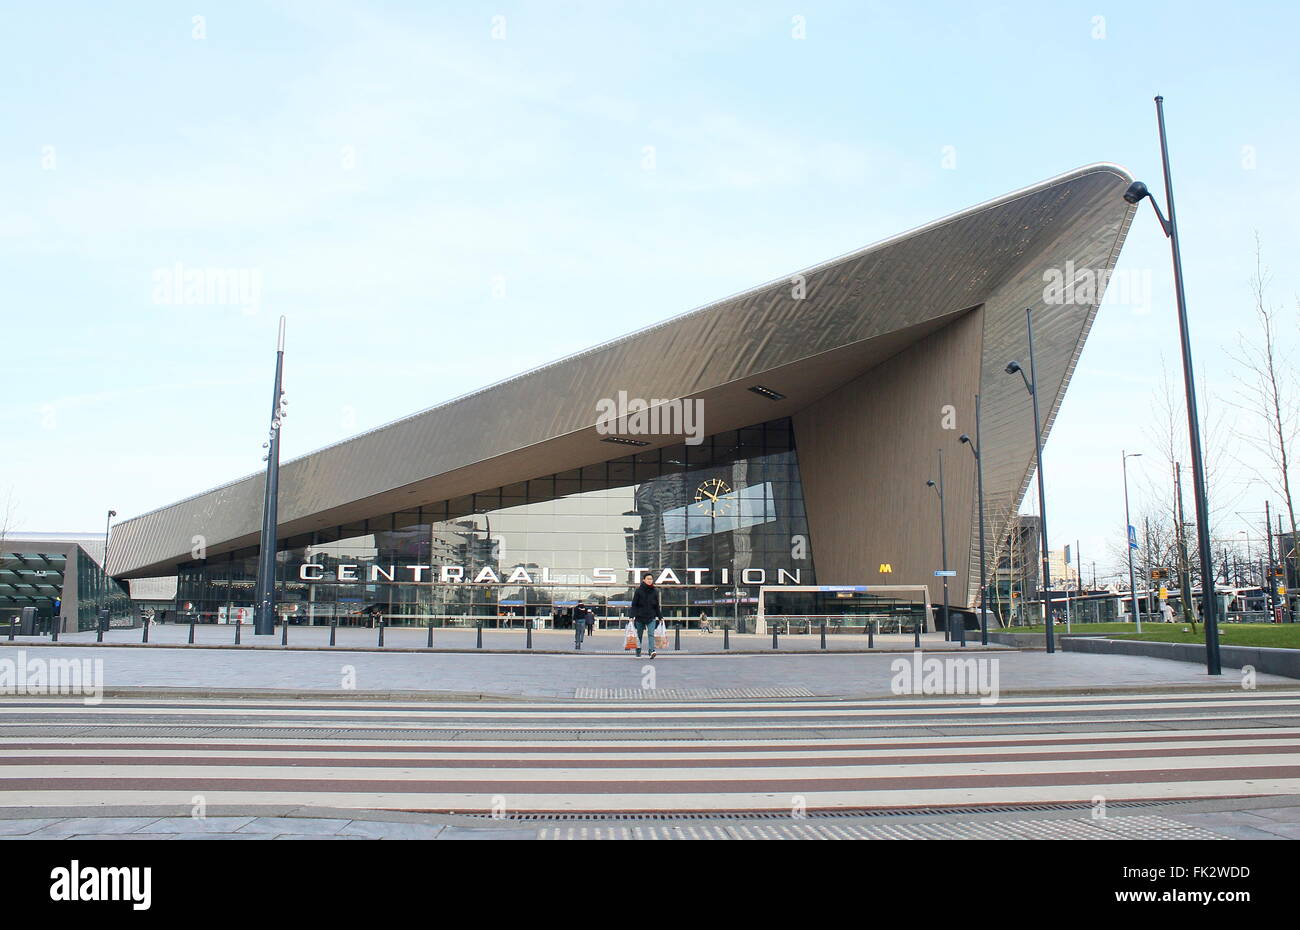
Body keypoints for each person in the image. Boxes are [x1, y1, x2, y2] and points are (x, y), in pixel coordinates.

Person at [629, 573, 662, 658]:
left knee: (651, 634)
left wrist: (660, 616)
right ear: (644, 580)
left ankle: (651, 651)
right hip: (640, 616)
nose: (650, 580)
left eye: (651, 579)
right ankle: (638, 651)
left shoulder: (655, 591)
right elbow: (634, 604)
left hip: (651, 616)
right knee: (639, 635)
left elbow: (656, 605)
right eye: (648, 579)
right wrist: (631, 616)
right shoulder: (638, 591)